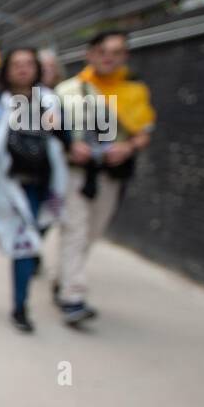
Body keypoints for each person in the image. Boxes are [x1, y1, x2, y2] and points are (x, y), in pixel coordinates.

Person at [0, 47, 67, 333]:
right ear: (7, 70)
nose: (22, 69)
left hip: (31, 186)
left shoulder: (51, 102)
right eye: (16, 64)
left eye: (28, 64)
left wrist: (58, 127)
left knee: (25, 245)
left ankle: (20, 307)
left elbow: (66, 140)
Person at [53, 29, 156, 325]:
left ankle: (62, 278)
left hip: (109, 175)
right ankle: (72, 296)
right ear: (90, 54)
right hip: (74, 173)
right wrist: (70, 148)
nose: (109, 58)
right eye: (103, 51)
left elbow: (144, 133)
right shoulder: (68, 90)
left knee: (91, 233)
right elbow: (50, 131)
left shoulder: (134, 92)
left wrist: (127, 147)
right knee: (75, 229)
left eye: (117, 52)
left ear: (125, 56)